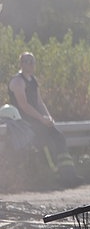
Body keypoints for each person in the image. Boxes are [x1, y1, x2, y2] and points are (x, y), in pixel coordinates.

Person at [7, 52, 81, 186]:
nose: (30, 64)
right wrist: (41, 119)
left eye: (32, 62)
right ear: (21, 63)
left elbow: (39, 102)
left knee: (58, 137)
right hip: (24, 121)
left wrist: (49, 118)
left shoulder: (33, 80)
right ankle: (55, 176)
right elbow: (24, 105)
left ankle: (69, 174)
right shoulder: (18, 81)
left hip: (38, 119)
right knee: (46, 144)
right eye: (27, 61)